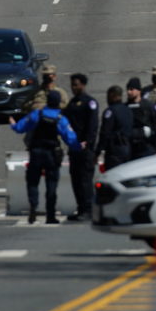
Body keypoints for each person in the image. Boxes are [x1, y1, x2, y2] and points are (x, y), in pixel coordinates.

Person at [9, 91, 81, 224]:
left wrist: (13, 124)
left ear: (47, 101)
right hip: (51, 154)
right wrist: (79, 146)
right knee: (51, 184)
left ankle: (33, 206)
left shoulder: (37, 114)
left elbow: (21, 127)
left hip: (36, 152)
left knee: (32, 181)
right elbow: (69, 138)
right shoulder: (60, 119)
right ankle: (50, 215)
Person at [62, 73, 98, 222]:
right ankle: (81, 208)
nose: (73, 87)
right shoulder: (71, 104)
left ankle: (89, 209)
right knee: (75, 179)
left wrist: (88, 143)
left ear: (83, 85)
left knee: (85, 180)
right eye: (72, 84)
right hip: (74, 148)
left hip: (85, 149)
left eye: (76, 84)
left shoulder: (90, 103)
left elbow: (93, 126)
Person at [125, 77, 156, 160]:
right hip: (130, 149)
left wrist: (152, 132)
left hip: (147, 148)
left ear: (138, 90)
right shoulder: (124, 108)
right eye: (128, 89)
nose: (128, 92)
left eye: (131, 89)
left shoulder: (149, 106)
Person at [96, 85, 132, 170]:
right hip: (128, 149)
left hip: (114, 151)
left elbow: (105, 133)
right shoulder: (128, 110)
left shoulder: (110, 111)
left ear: (112, 96)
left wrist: (98, 151)